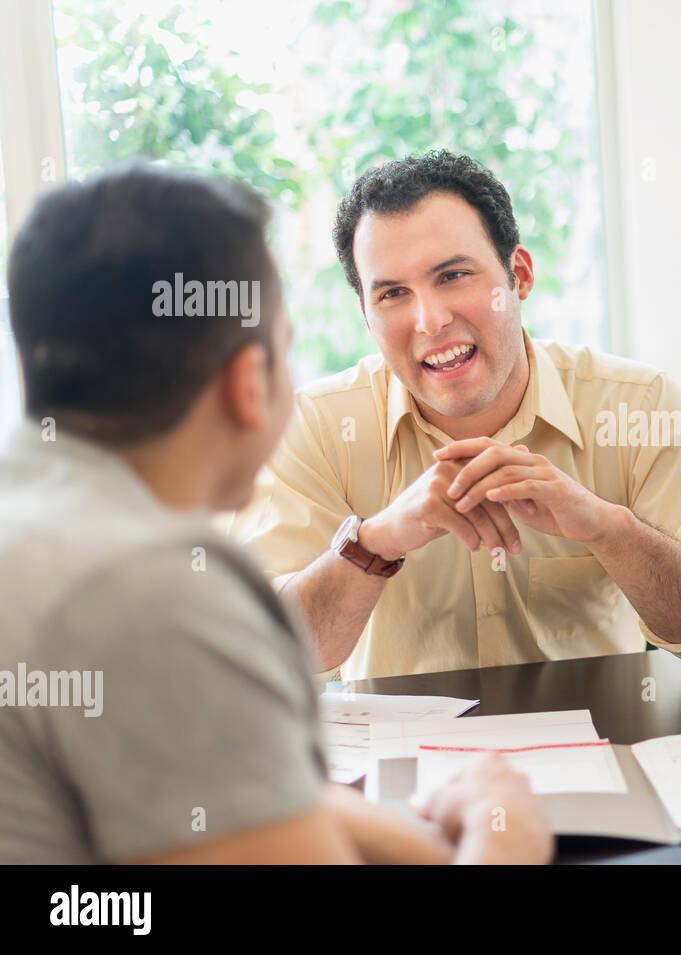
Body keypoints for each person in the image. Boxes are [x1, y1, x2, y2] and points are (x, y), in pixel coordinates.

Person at [0, 166, 552, 864]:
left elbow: (235, 795)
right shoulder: (150, 593)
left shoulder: (36, 517)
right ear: (247, 385)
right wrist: (510, 831)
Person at [229, 151, 681, 681]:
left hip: (601, 752)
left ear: (518, 275)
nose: (429, 320)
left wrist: (607, 528)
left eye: (453, 276)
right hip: (406, 775)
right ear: (366, 316)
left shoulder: (639, 407)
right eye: (393, 293)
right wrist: (374, 544)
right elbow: (257, 662)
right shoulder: (316, 428)